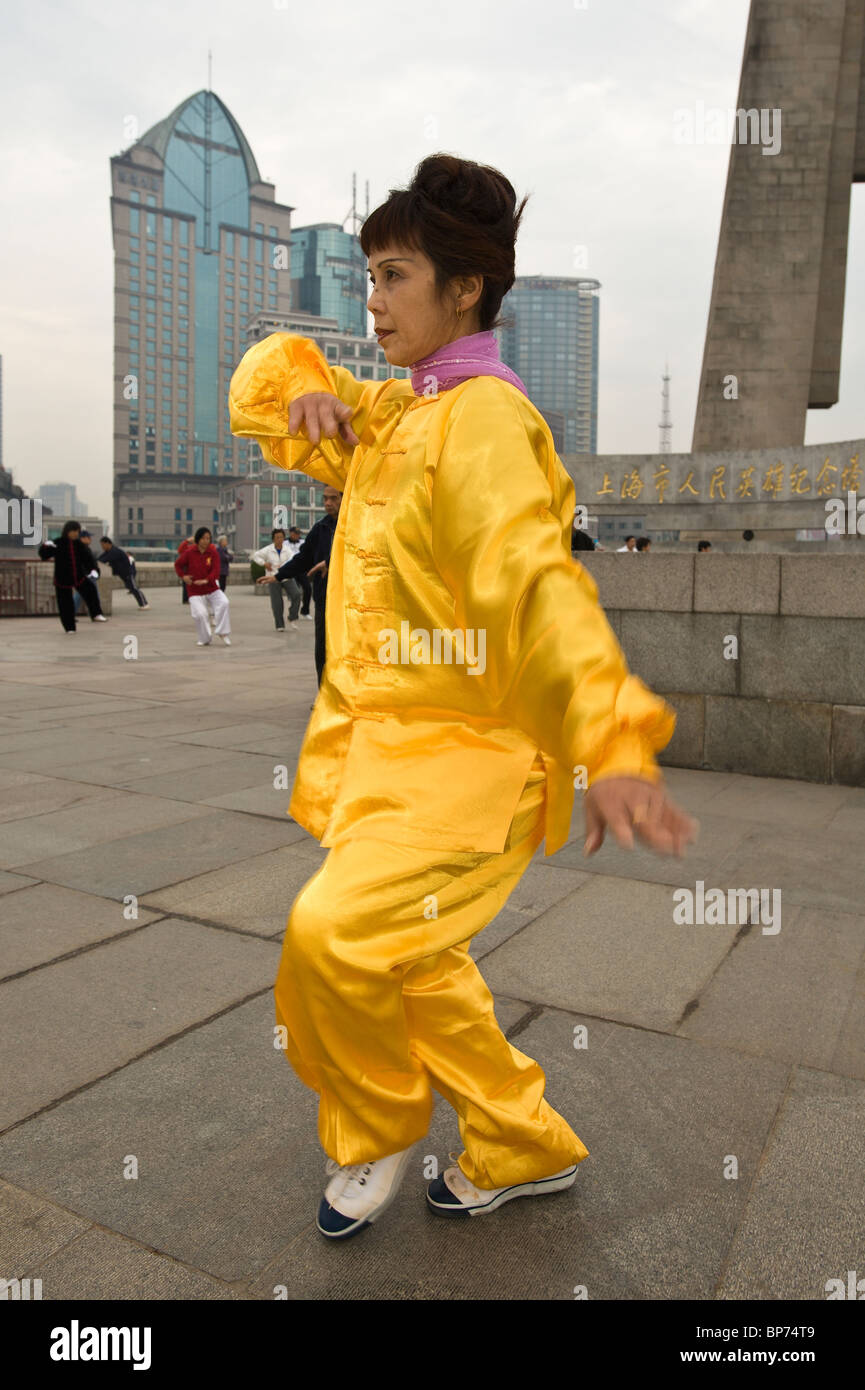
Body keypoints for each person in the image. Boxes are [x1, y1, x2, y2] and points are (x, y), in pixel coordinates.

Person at [229, 152, 696, 1243]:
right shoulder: (396, 416)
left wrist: (613, 737)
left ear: (464, 289)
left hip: (466, 766)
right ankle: (520, 1143)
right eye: (367, 278)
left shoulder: (482, 422)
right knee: (422, 964)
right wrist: (302, 369)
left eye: (394, 275)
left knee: (334, 938)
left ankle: (378, 1118)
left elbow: (532, 586)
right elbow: (262, 397)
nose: (374, 301)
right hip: (385, 757)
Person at [256, 491, 340, 684]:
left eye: (333, 498)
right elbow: (303, 558)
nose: (328, 503)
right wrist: (278, 576)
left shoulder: (355, 524)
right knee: (323, 648)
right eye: (325, 498)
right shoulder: (320, 528)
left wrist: (331, 562)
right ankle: (325, 696)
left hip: (351, 599)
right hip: (324, 597)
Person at [38, 522, 107, 631]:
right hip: (62, 579)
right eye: (74, 531)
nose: (76, 534)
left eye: (77, 532)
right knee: (65, 604)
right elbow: (44, 555)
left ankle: (96, 614)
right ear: (67, 531)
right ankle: (69, 627)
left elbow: (88, 559)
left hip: (78, 577)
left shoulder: (79, 545)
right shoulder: (57, 543)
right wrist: (45, 546)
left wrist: (94, 570)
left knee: (91, 590)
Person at [174, 527, 231, 646]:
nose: (206, 541)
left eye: (208, 539)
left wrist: (206, 580)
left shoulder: (213, 552)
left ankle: (222, 632)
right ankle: (205, 638)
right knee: (200, 614)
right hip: (194, 590)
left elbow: (216, 571)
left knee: (224, 602)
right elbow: (178, 565)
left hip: (211, 588)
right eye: (204, 538)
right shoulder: (189, 552)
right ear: (198, 539)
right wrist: (183, 577)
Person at [252, 528, 300, 631]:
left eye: (281, 537)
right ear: (273, 539)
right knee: (277, 602)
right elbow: (255, 556)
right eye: (277, 537)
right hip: (272, 577)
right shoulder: (268, 549)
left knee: (296, 594)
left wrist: (284, 567)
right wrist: (264, 563)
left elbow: (292, 559)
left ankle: (292, 617)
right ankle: (279, 625)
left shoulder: (287, 550)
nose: (280, 539)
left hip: (286, 577)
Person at [98, 537, 149, 607]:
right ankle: (143, 603)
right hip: (122, 573)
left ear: (107, 543)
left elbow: (104, 560)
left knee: (134, 588)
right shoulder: (109, 552)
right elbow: (100, 559)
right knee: (131, 588)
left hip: (128, 573)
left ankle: (144, 604)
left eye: (102, 545)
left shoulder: (114, 551)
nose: (102, 547)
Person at [287, 526, 314, 618]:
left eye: (299, 534)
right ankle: (293, 613)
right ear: (291, 533)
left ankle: (305, 611)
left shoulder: (304, 542)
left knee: (308, 589)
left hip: (302, 569)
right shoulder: (285, 543)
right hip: (291, 569)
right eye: (295, 533)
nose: (297, 535)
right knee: (295, 593)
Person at [178, 536, 195, 603]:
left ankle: (189, 598)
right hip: (187, 569)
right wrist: (187, 541)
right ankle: (186, 599)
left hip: (194, 569)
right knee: (186, 585)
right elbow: (180, 550)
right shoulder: (189, 548)